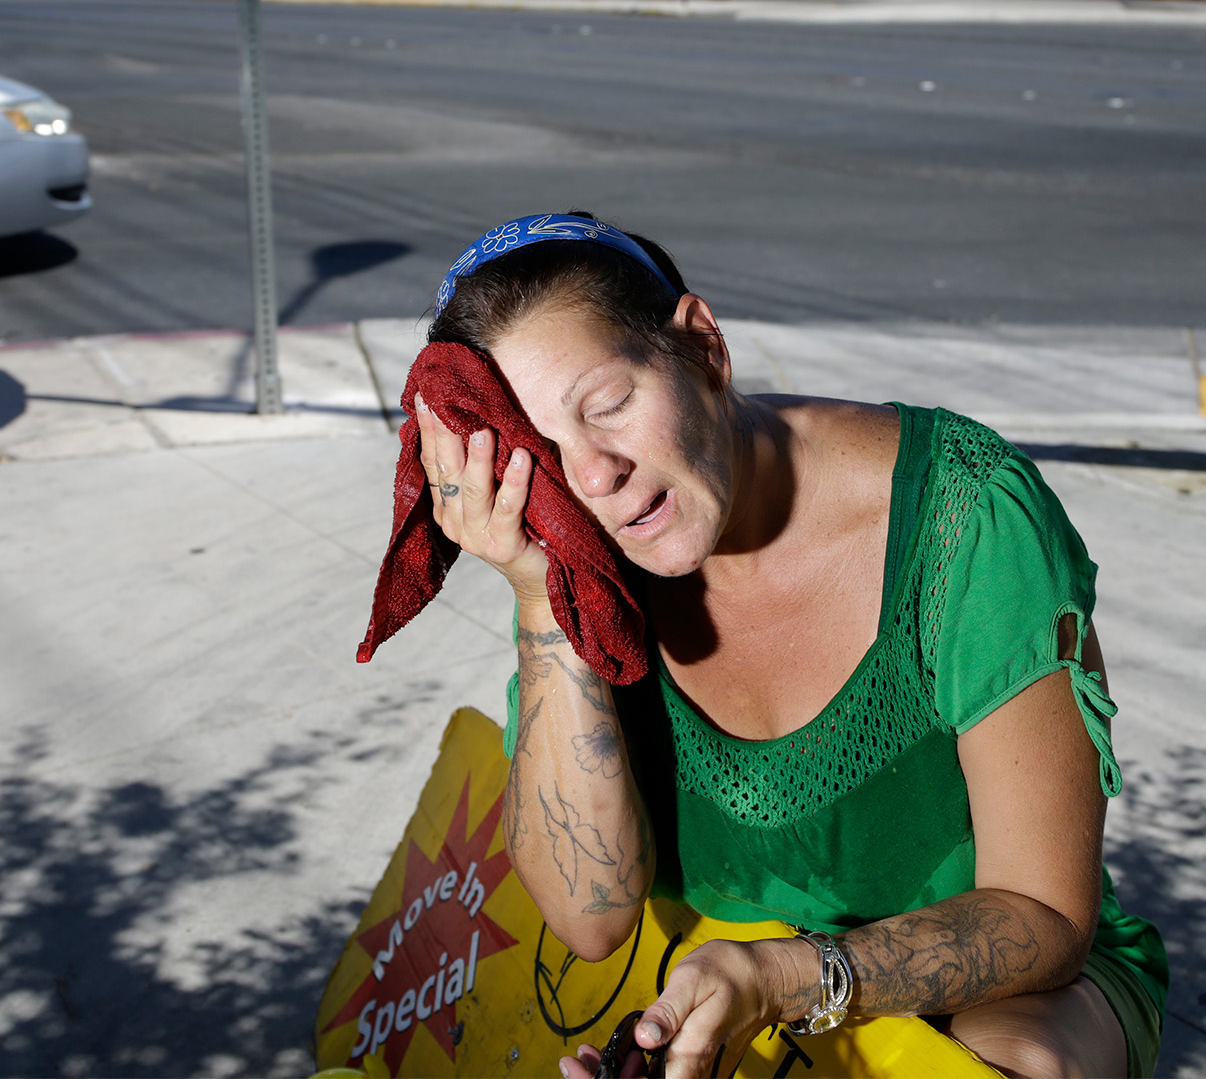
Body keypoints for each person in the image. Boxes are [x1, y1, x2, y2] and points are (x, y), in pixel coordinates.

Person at [410, 213, 1167, 1079]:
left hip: (988, 983)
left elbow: (1044, 915)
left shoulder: (962, 515)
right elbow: (591, 920)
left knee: (1024, 1063)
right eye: (542, 452)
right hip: (705, 973)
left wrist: (786, 978)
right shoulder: (585, 566)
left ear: (703, 347)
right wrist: (543, 597)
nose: (593, 475)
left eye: (610, 406)